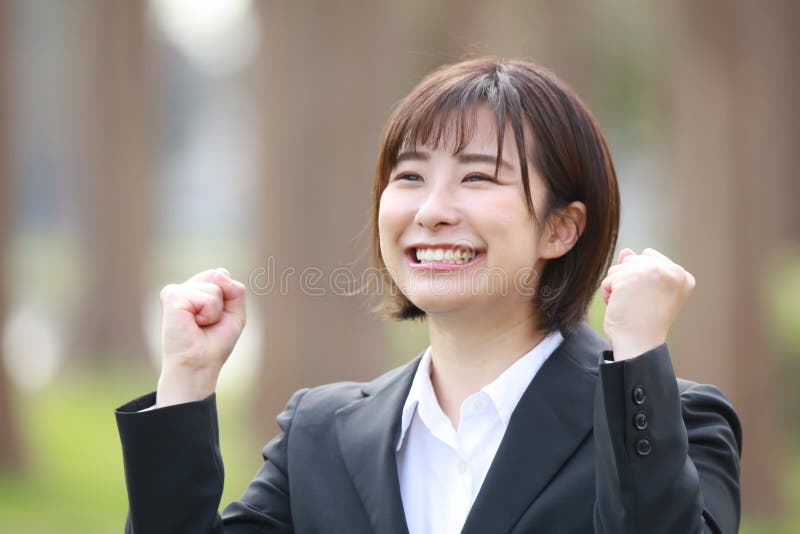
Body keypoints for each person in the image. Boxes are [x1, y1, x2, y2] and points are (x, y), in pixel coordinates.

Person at [115, 58, 742, 533]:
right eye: (410, 176)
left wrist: (636, 359)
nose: (433, 211)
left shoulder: (671, 427)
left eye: (477, 177)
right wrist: (188, 381)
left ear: (561, 227)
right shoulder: (322, 435)